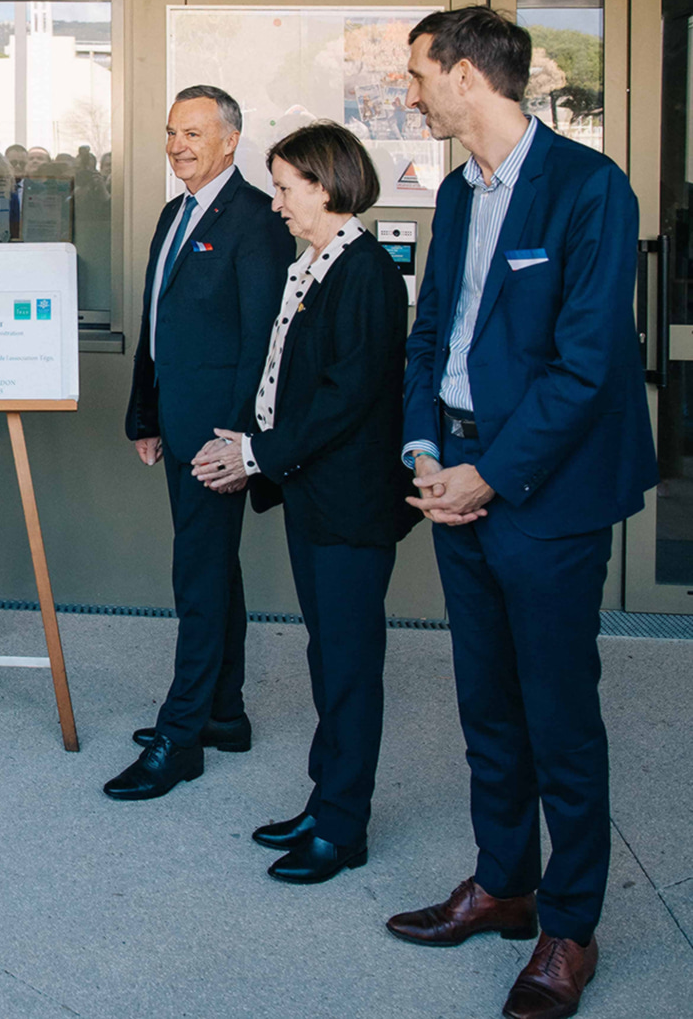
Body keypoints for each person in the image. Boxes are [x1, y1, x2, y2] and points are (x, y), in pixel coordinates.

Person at [385, 7, 654, 1019]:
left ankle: (567, 929)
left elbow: (588, 365)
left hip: (540, 495)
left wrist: (487, 474)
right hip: (453, 479)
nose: (409, 93)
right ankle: (503, 885)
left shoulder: (589, 190)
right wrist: (424, 448)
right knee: (486, 707)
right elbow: (428, 339)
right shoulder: (456, 195)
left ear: (465, 75)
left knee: (557, 718)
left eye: (418, 75)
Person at [189, 122, 416, 884]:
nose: (277, 202)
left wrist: (255, 454)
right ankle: (326, 802)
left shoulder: (367, 274)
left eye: (286, 186)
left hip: (351, 503)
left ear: (325, 186)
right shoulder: (310, 263)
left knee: (350, 665)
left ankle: (343, 828)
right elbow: (286, 378)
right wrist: (250, 432)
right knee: (328, 655)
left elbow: (344, 399)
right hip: (313, 493)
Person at [111, 84, 289, 801]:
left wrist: (245, 442)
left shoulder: (256, 220)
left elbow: (262, 342)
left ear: (229, 142)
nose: (178, 145)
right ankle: (224, 713)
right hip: (178, 427)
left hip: (219, 438)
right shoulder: (174, 213)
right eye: (171, 131)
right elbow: (158, 324)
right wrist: (144, 414)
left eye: (193, 133)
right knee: (215, 570)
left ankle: (180, 737)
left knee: (199, 577)